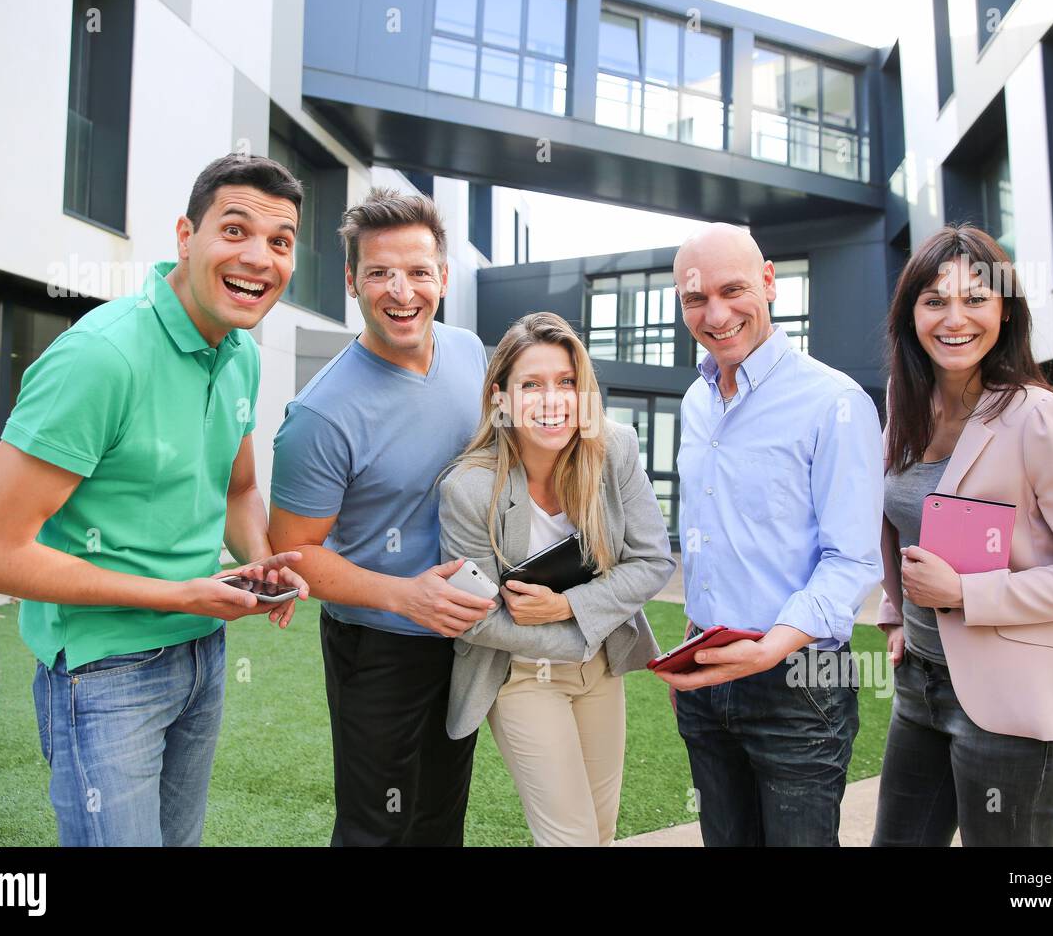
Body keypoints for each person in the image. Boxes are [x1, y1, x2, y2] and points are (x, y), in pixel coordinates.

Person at [0, 154, 311, 846]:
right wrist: (181, 594)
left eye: (281, 241)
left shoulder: (241, 352)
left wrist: (261, 563)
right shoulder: (102, 357)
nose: (259, 257)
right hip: (103, 674)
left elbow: (237, 488)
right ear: (185, 235)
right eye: (235, 230)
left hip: (201, 653)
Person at [871, 224, 1053, 847]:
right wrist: (894, 611)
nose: (953, 318)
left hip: (1014, 702)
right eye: (934, 300)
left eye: (976, 298)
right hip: (921, 684)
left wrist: (967, 591)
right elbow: (902, 518)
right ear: (910, 314)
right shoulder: (905, 399)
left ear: (1006, 310)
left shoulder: (1044, 418)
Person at [268, 188, 495, 846]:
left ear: (443, 277)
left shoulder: (469, 352)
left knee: (439, 822)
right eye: (380, 273)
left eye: (419, 272)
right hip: (379, 648)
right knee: (378, 829)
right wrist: (406, 597)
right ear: (351, 281)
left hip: (464, 636)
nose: (402, 291)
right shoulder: (320, 414)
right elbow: (291, 555)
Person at [653, 223, 883, 847]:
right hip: (706, 674)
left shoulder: (835, 401)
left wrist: (768, 649)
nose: (716, 314)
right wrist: (694, 640)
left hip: (799, 683)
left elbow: (852, 559)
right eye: (695, 298)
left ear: (770, 282)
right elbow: (710, 539)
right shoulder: (695, 403)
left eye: (733, 290)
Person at [439, 312, 674, 846]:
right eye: (532, 385)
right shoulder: (468, 489)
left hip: (601, 667)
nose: (553, 400)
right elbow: (475, 621)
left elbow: (653, 561)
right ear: (500, 398)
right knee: (570, 838)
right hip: (520, 675)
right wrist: (572, 637)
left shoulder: (614, 450)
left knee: (601, 831)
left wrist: (570, 608)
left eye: (566, 383)